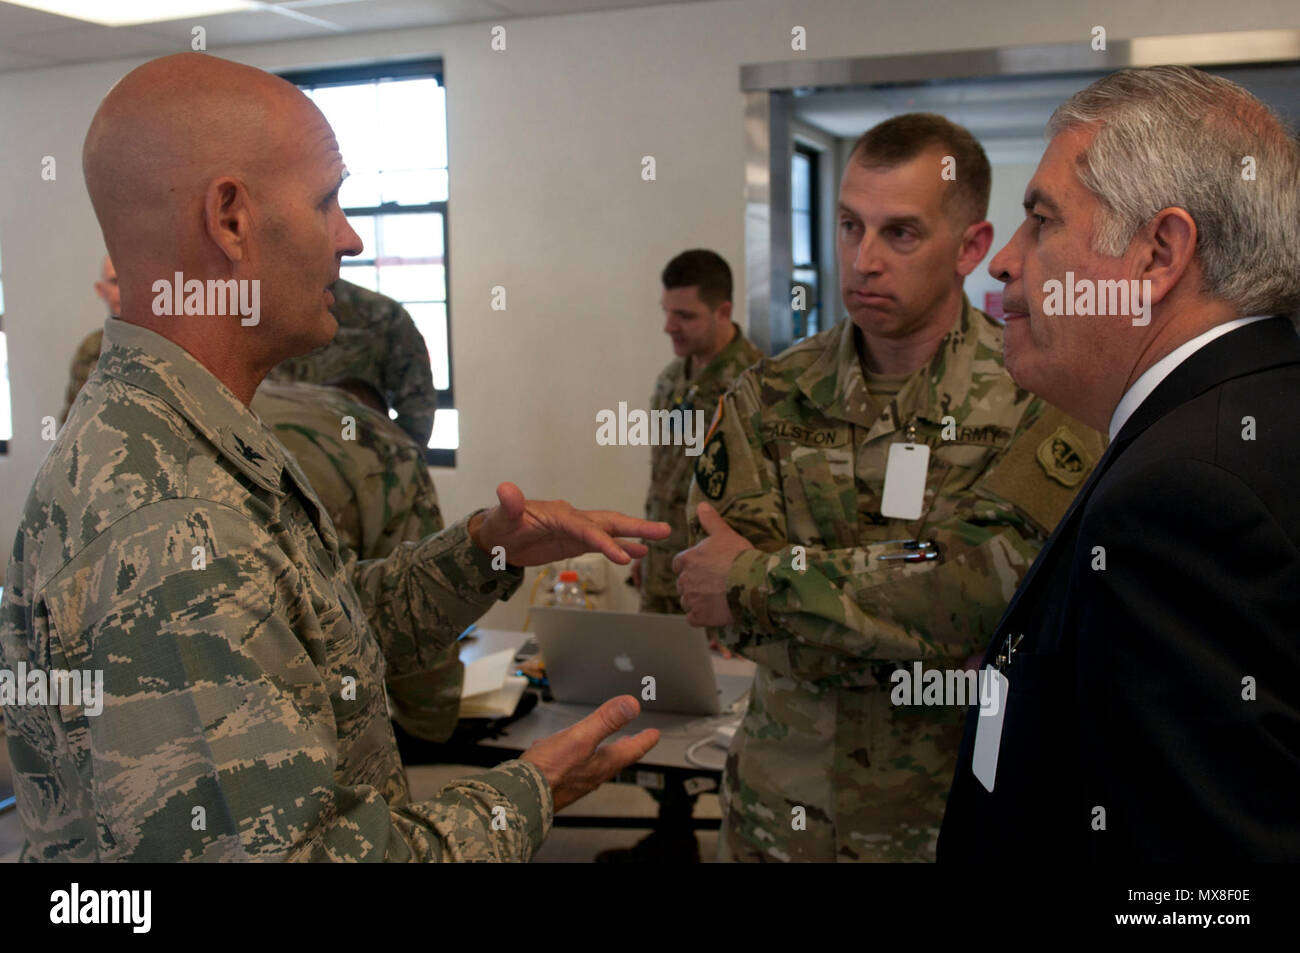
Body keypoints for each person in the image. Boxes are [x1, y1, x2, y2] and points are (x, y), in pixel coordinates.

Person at [0, 51, 668, 862]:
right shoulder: (174, 528)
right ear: (231, 220)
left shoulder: (179, 437)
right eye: (328, 201)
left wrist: (481, 552)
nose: (349, 237)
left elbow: (306, 636)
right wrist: (523, 795)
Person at [672, 113, 1104, 862]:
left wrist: (758, 580)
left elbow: (988, 593)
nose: (862, 260)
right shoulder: (765, 397)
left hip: (949, 817)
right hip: (782, 812)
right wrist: (905, 607)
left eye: (899, 233)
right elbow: (715, 604)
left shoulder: (1038, 396)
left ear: (971, 246)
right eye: (849, 226)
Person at [939, 66, 1300, 862]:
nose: (1002, 262)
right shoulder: (1246, 419)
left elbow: (1206, 892)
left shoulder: (1185, 496)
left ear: (1158, 254)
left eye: (1040, 221)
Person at [250, 377, 460, 743]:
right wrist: (432, 725)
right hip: (318, 736)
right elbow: (423, 614)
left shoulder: (235, 398)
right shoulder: (382, 446)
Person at [633, 249, 761, 615]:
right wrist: (646, 551)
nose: (669, 326)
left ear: (723, 312)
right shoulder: (671, 380)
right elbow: (663, 477)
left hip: (718, 582)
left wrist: (740, 591)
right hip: (661, 572)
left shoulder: (757, 386)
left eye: (684, 315)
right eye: (667, 312)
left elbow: (762, 505)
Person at [267, 277, 438, 446]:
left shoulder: (380, 313)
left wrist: (391, 464)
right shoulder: (256, 307)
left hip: (352, 460)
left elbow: (418, 411)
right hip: (263, 459)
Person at [58, 256, 118, 425]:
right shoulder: (91, 348)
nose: (123, 290)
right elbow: (71, 416)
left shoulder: (159, 344)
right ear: (101, 290)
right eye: (115, 281)